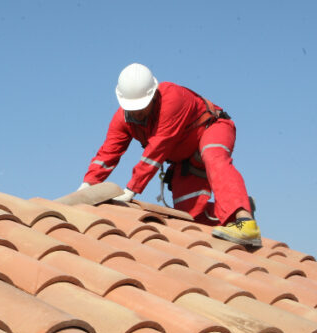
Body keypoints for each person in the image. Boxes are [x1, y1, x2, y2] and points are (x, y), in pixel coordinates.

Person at [78, 63, 261, 247]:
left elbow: (157, 149)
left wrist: (131, 189)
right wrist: (86, 187)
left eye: (142, 107)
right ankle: (241, 209)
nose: (138, 113)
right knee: (190, 215)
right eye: (133, 108)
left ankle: (243, 219)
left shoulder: (172, 99)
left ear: (153, 96)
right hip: (185, 160)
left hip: (211, 129)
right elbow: (108, 153)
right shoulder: (122, 120)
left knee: (214, 156)